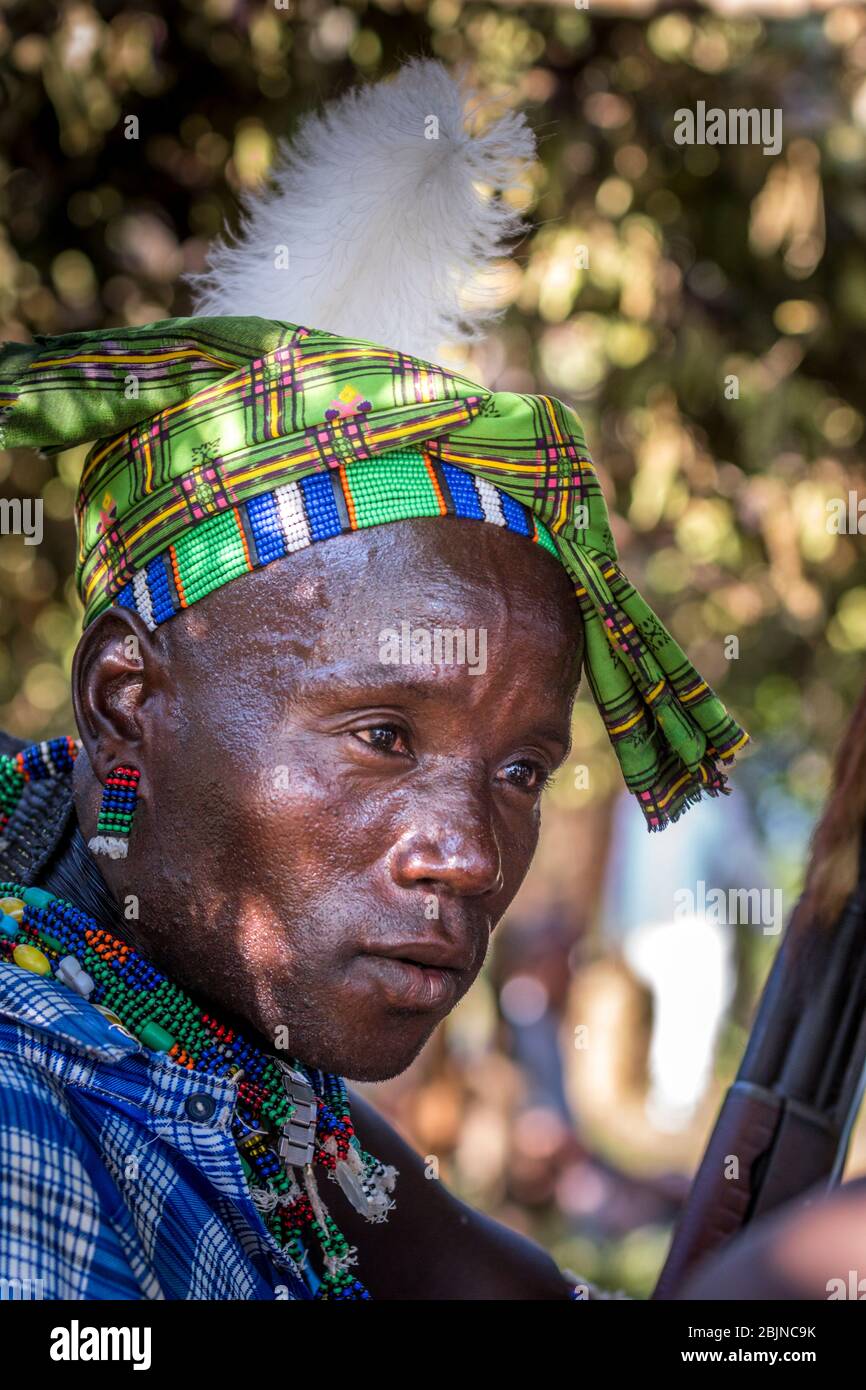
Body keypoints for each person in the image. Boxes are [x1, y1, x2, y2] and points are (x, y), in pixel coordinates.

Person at [0, 58, 748, 1300]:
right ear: (126, 704)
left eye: (518, 769)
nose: (464, 851)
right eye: (382, 734)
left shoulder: (223, 1060)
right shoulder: (32, 1109)